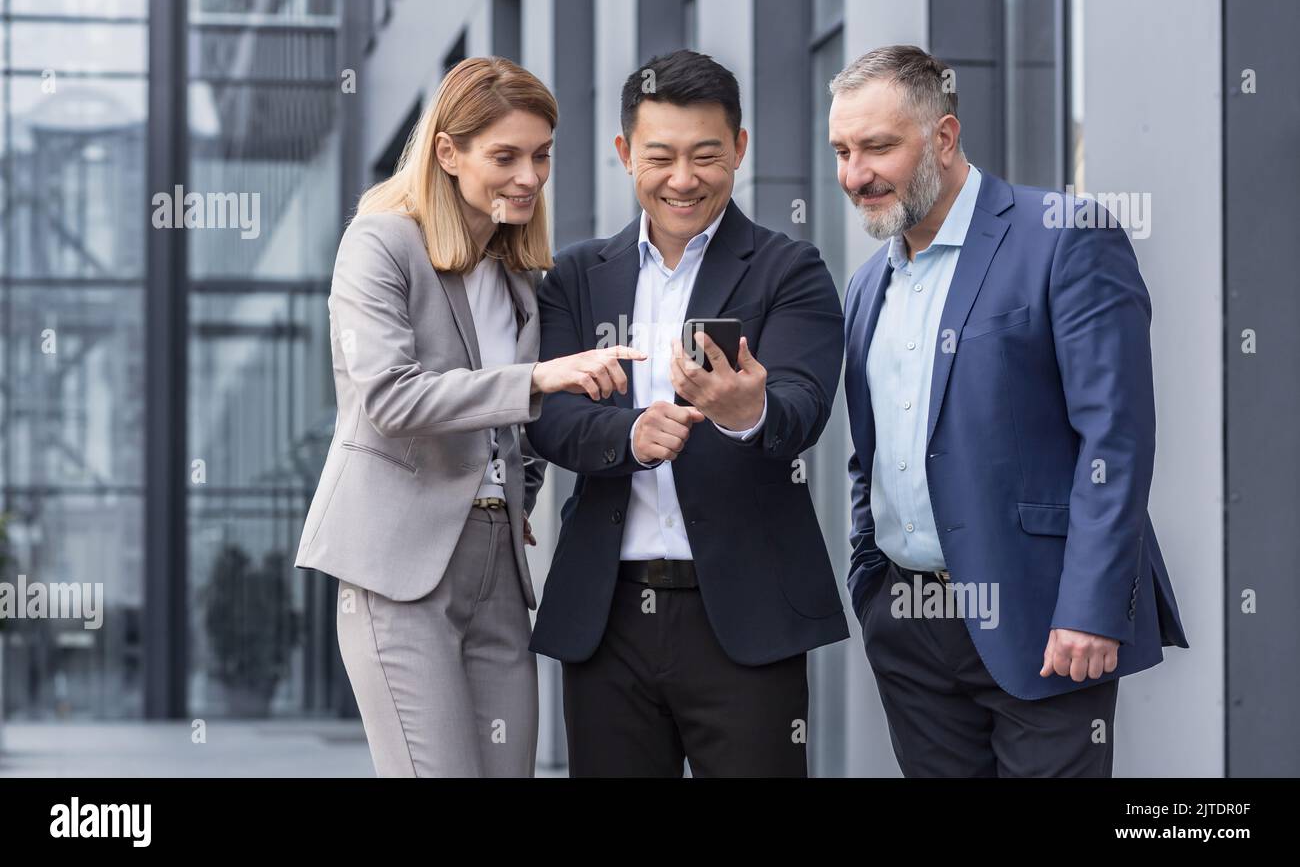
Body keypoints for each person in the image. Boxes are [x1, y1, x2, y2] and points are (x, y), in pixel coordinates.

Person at [835, 44, 1188, 777]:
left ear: (943, 136)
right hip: (908, 628)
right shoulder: (867, 285)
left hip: (1043, 619)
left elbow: (1114, 440)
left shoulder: (1065, 235)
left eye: (877, 147)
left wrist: (1092, 607)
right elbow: (873, 451)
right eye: (841, 151)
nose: (854, 174)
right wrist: (871, 579)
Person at [294, 56, 642, 777]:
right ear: (448, 152)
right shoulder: (380, 243)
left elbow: (516, 426)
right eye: (505, 157)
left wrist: (521, 490)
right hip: (399, 566)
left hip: (498, 564)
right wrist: (536, 378)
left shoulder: (517, 274)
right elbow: (389, 398)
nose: (529, 176)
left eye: (541, 156)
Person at [526, 49, 848, 777]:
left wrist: (747, 411)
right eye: (660, 157)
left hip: (746, 616)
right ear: (625, 154)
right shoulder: (574, 276)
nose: (683, 179)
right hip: (607, 618)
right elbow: (546, 415)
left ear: (739, 148)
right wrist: (631, 434)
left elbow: (804, 407)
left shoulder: (789, 269)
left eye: (705, 155)